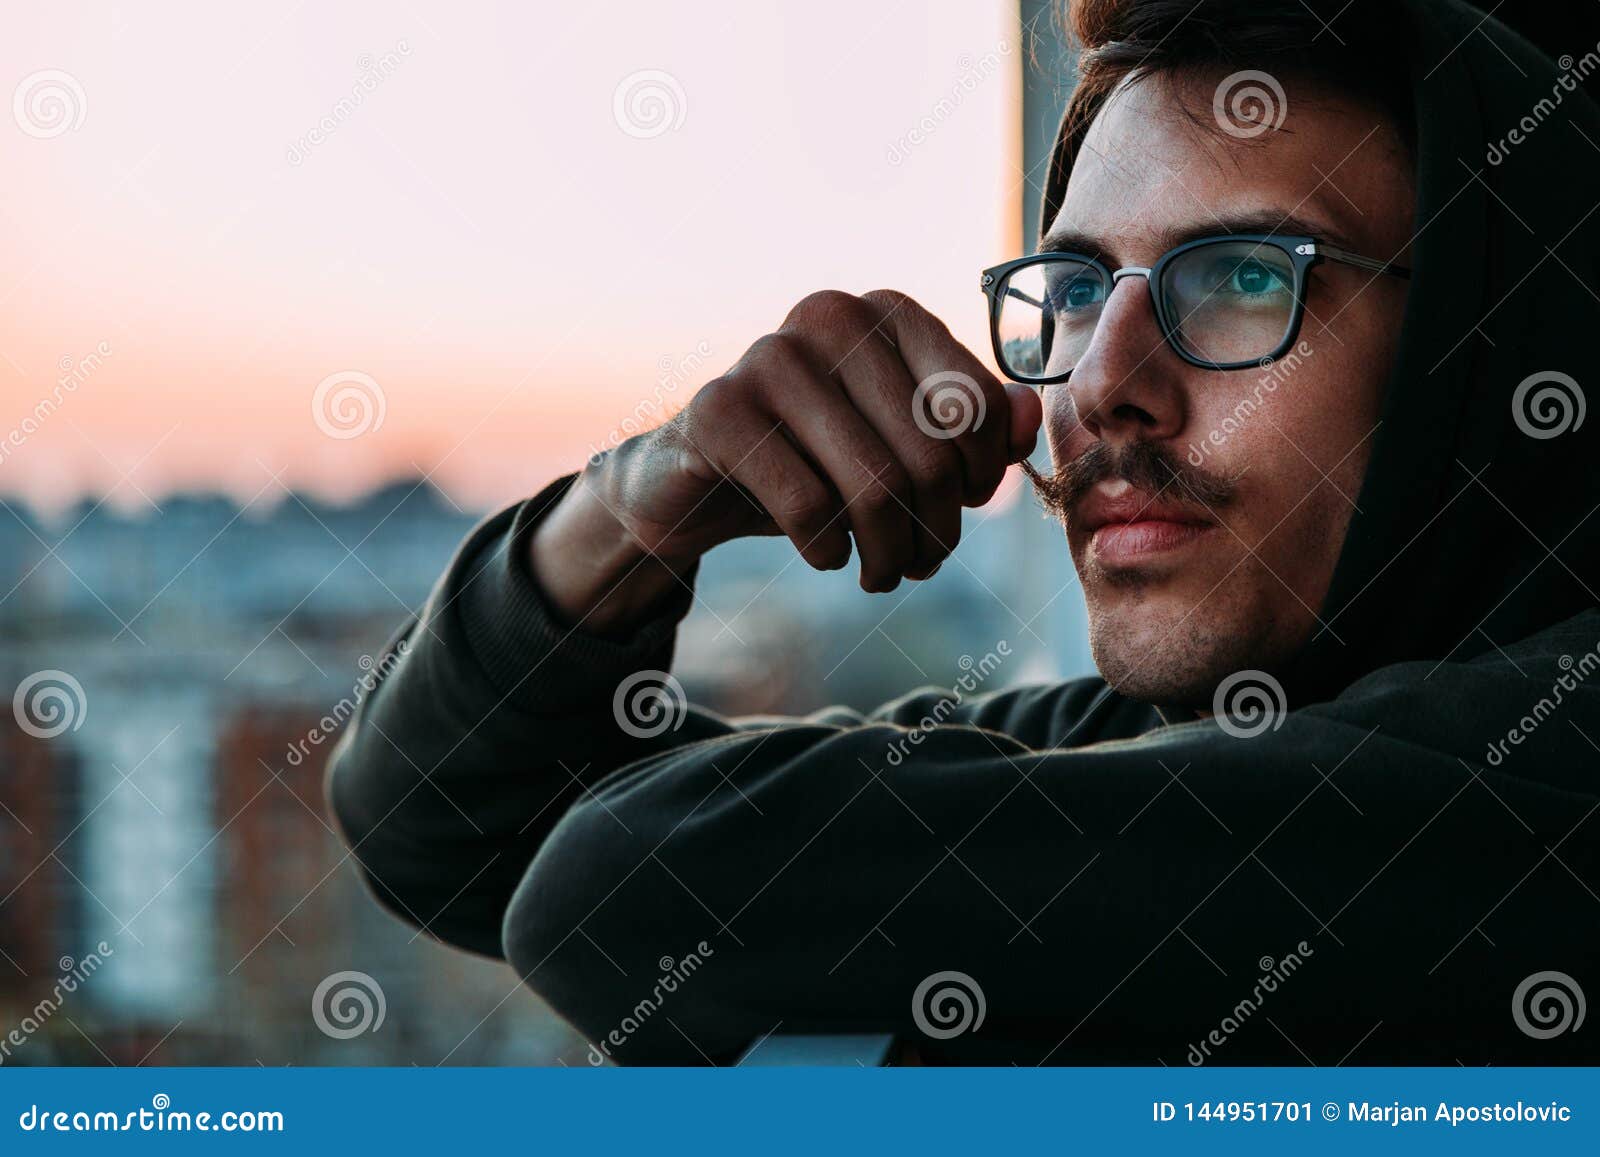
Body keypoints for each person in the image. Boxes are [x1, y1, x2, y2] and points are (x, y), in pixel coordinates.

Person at [327, 0, 1600, 1064]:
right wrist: (638, 503)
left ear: (1482, 346)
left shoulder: (1544, 761)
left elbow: (631, 879)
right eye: (1079, 289)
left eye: (1245, 274)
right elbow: (455, 829)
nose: (1101, 383)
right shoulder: (1233, 736)